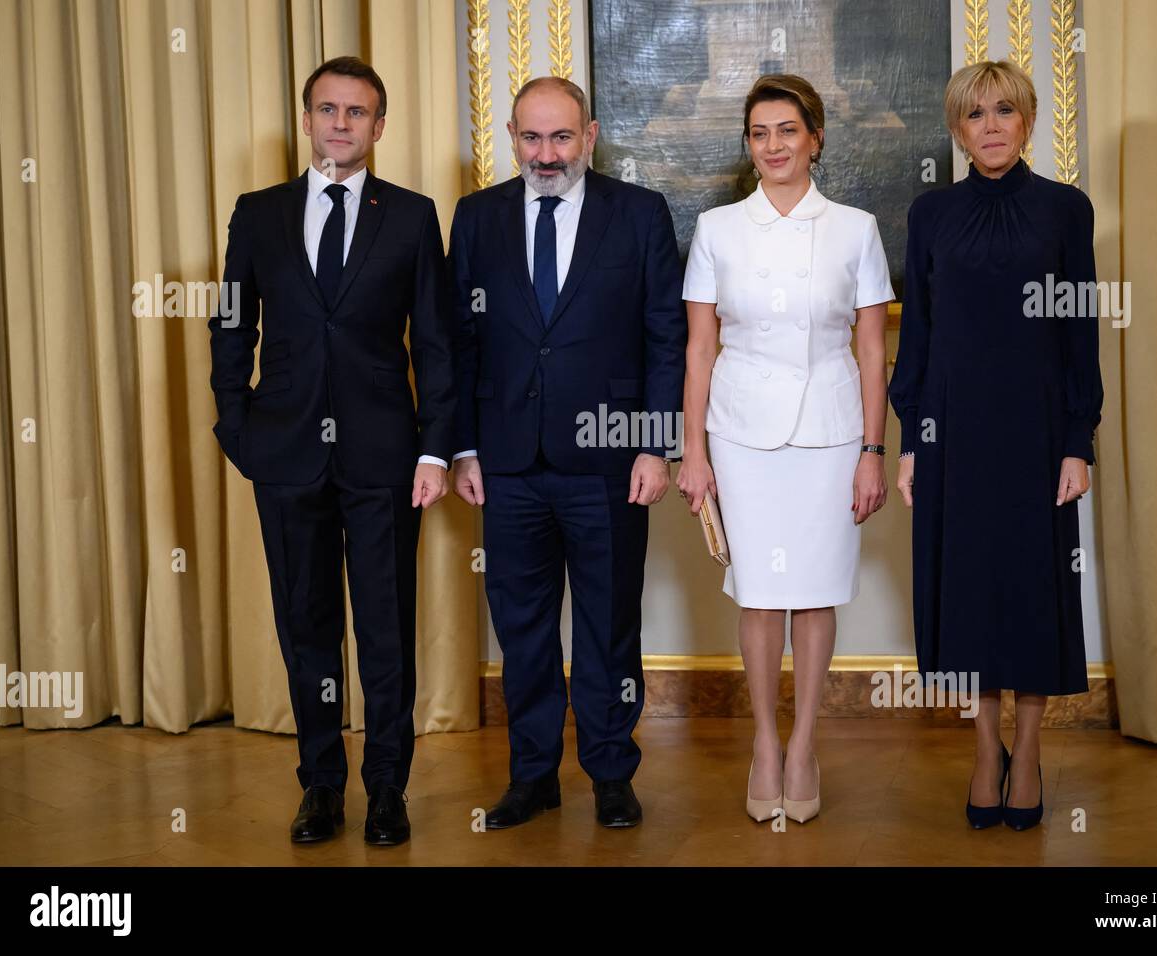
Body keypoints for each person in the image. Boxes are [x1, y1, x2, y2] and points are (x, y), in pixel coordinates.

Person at [208, 56, 455, 846]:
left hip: (385, 458)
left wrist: (435, 451)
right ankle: (320, 786)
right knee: (306, 627)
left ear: (378, 128)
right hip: (283, 454)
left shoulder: (413, 217)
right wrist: (236, 429)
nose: (340, 123)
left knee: (385, 629)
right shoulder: (257, 213)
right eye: (327, 109)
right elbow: (230, 323)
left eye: (357, 112)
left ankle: (386, 788)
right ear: (308, 118)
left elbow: (439, 345)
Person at [449, 77, 686, 829]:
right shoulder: (477, 216)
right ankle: (532, 776)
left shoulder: (639, 213)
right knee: (521, 630)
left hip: (611, 462)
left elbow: (665, 338)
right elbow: (456, 342)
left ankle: (611, 774)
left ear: (588, 136)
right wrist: (460, 446)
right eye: (531, 138)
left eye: (560, 138)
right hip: (508, 463)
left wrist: (657, 445)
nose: (545, 155)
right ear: (512, 138)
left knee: (609, 626)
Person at [888, 60, 1103, 831]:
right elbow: (919, 335)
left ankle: (1031, 747)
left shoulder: (1065, 210)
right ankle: (985, 748)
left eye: (1005, 110)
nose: (990, 126)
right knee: (970, 592)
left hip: (1039, 431)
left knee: (1033, 590)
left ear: (1029, 119)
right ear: (957, 127)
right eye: (975, 114)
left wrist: (1078, 441)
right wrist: (912, 440)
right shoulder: (931, 214)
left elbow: (1080, 331)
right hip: (953, 429)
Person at [677, 74, 893, 824]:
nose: (774, 145)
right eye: (761, 133)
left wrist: (873, 448)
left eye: (788, 131)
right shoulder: (716, 230)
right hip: (740, 433)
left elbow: (872, 348)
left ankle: (806, 743)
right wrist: (693, 451)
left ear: (816, 137)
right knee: (760, 594)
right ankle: (765, 744)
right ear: (749, 145)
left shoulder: (856, 228)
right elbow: (700, 350)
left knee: (816, 587)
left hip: (832, 433)